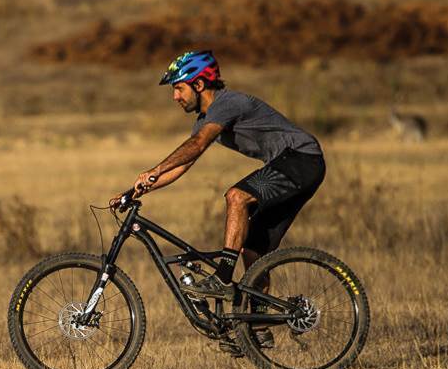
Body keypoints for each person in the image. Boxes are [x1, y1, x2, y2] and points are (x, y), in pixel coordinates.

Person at [111, 49, 325, 300]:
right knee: (252, 251)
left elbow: (198, 145)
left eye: (179, 88)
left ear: (199, 84)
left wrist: (155, 170)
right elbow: (184, 164)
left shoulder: (227, 104)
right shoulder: (206, 119)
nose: (175, 96)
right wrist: (136, 190)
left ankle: (223, 279)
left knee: (237, 197)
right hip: (295, 165)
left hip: (301, 158)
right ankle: (257, 328)